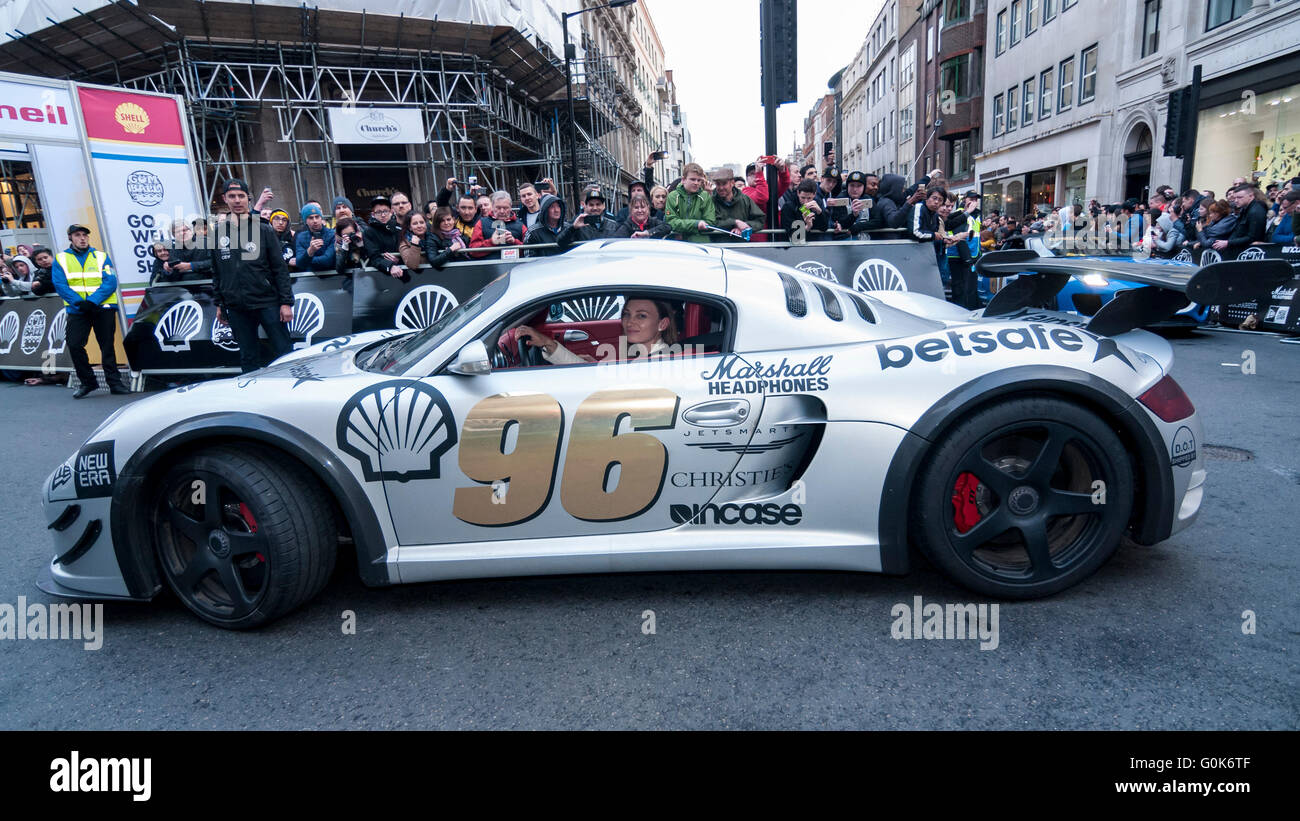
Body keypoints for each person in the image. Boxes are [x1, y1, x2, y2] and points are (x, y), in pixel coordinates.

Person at [209, 179, 293, 374]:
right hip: (237, 306)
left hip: (268, 302)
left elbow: (280, 268)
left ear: (248, 198)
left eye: (241, 196)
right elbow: (216, 271)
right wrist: (221, 304)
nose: (237, 200)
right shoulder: (218, 233)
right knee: (248, 357)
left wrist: (286, 302)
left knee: (284, 353)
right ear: (225, 199)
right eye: (232, 196)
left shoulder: (264, 229)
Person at [51, 224, 127, 397]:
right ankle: (88, 383)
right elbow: (60, 285)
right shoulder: (61, 258)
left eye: (85, 234)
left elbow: (110, 282)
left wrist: (92, 301)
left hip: (102, 307)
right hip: (78, 309)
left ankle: (115, 383)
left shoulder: (101, 256)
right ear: (70, 238)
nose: (82, 238)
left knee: (107, 346)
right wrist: (79, 302)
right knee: (74, 344)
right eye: (78, 235)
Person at [516, 297, 679, 365]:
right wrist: (547, 343)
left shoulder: (659, 363)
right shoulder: (644, 356)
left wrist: (548, 344)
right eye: (626, 314)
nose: (630, 322)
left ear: (662, 324)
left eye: (642, 316)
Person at [945, 191, 983, 309]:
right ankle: (962, 310)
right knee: (961, 287)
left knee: (970, 286)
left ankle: (971, 308)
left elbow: (975, 236)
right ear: (964, 200)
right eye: (971, 198)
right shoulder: (960, 214)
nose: (974, 201)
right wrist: (967, 260)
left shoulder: (975, 215)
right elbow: (960, 237)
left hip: (971, 254)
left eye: (976, 199)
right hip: (960, 257)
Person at [558, 185, 622, 249]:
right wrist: (573, 228)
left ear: (603, 206)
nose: (595, 208)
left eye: (598, 204)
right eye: (591, 205)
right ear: (584, 205)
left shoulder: (614, 225)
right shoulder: (576, 225)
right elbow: (561, 242)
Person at [709, 167, 763, 242]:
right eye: (718, 184)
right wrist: (735, 222)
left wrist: (744, 226)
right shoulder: (711, 201)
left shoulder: (745, 200)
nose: (721, 188)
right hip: (719, 247)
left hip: (742, 247)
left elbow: (760, 220)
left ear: (732, 183)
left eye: (724, 184)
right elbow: (710, 222)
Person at [665, 163, 715, 243]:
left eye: (699, 180)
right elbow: (671, 222)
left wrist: (683, 226)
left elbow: (711, 222)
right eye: (692, 179)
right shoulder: (673, 196)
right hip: (678, 243)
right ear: (683, 180)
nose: (696, 183)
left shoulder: (705, 196)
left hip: (700, 242)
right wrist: (696, 224)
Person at [362, 195, 407, 280]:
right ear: (373, 214)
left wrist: (399, 260)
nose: (383, 215)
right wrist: (390, 266)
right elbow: (373, 257)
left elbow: (407, 250)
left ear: (391, 212)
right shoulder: (368, 232)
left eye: (385, 211)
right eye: (378, 212)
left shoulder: (399, 229)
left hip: (403, 273)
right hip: (379, 276)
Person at [469, 190, 527, 255]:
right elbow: (472, 251)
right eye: (498, 208)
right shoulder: (481, 223)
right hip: (489, 264)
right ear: (492, 207)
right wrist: (491, 242)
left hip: (516, 264)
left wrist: (514, 242)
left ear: (510, 207)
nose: (502, 211)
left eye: (505, 208)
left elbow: (529, 250)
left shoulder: (520, 225)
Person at [1216, 183, 1269, 252]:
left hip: (1250, 251)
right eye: (1235, 198)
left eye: (1240, 197)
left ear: (1251, 196)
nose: (1236, 200)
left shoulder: (1256, 211)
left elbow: (1253, 237)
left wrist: (1228, 243)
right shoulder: (1245, 209)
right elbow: (1239, 231)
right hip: (1240, 249)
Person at [295, 204, 336, 272]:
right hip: (311, 279)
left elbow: (328, 261)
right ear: (306, 221)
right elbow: (299, 263)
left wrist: (307, 260)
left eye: (317, 217)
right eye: (311, 218)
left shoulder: (332, 234)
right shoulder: (301, 237)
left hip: (333, 277)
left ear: (321, 218)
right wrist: (310, 251)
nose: (315, 221)